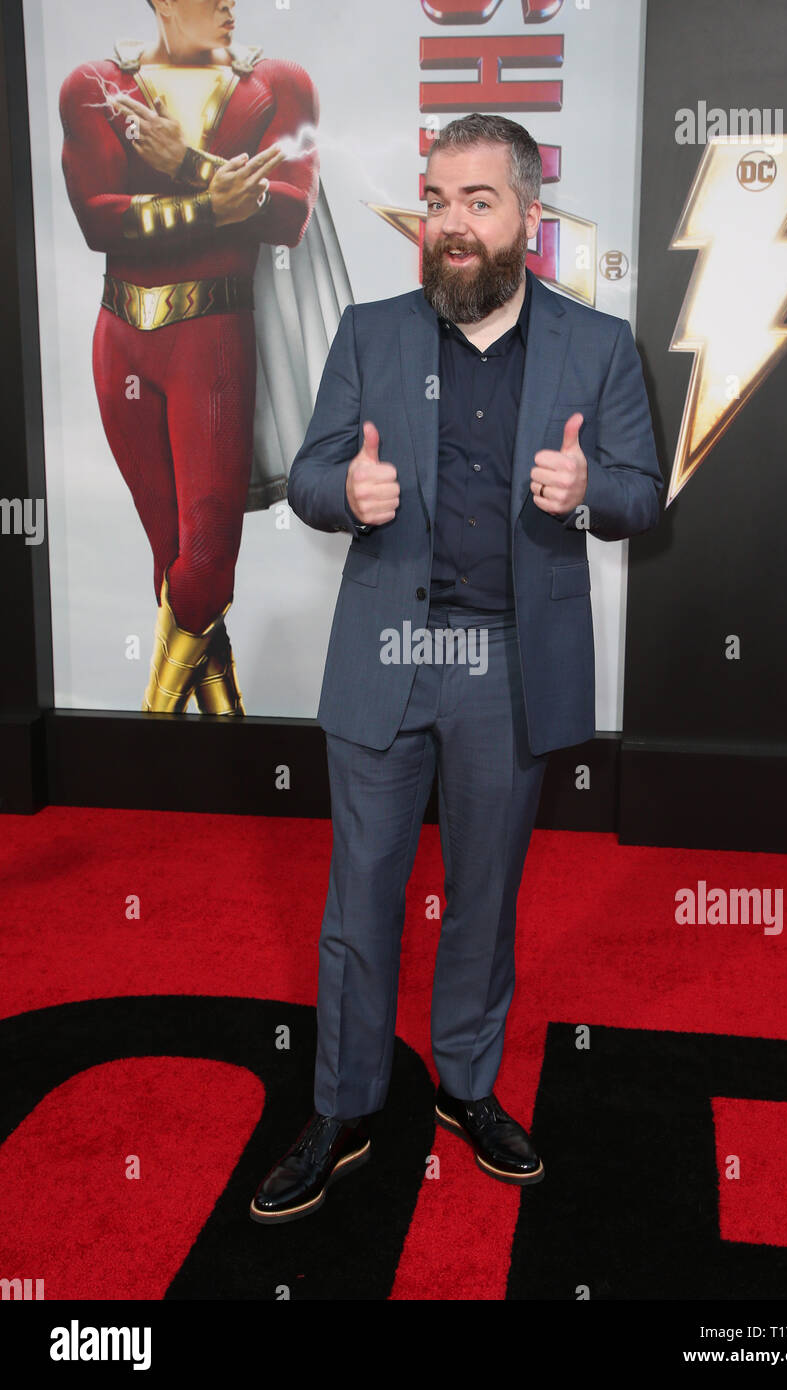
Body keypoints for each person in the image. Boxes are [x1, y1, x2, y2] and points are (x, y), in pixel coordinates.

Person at [250, 113, 663, 1223]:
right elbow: (307, 472)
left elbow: (642, 492)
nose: (452, 224)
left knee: (483, 896)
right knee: (359, 901)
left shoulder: (596, 344)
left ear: (529, 216)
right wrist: (347, 495)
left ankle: (466, 1090)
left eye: (478, 202)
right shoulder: (372, 331)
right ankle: (342, 1108)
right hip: (387, 652)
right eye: (437, 201)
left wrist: (588, 493)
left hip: (506, 666)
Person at [59, 0, 321, 714]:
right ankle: (223, 721)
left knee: (204, 565)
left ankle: (152, 721)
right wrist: (212, 203)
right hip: (121, 342)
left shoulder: (280, 81)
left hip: (213, 341)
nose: (230, 4)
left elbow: (291, 214)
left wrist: (188, 164)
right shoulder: (95, 85)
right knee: (170, 557)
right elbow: (96, 217)